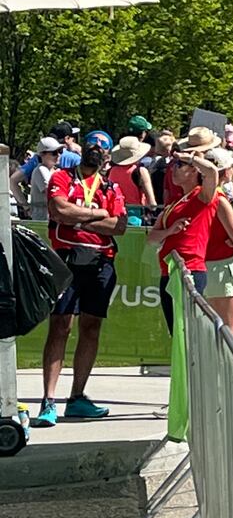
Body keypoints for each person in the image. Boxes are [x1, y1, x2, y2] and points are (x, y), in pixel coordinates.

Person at [33, 140, 127, 426]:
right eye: (91, 144)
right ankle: (48, 401)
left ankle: (77, 397)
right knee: (60, 327)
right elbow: (58, 210)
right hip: (66, 259)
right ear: (82, 150)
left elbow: (119, 226)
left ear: (108, 157)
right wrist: (98, 214)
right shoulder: (62, 176)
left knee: (91, 327)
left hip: (101, 263)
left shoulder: (111, 187)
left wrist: (78, 220)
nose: (96, 149)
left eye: (103, 147)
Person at [148, 149, 233, 334]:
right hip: (169, 271)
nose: (173, 170)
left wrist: (189, 158)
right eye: (174, 165)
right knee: (176, 333)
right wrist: (170, 230)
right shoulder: (174, 203)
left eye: (179, 166)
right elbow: (151, 238)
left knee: (188, 333)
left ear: (194, 170)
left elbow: (211, 171)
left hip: (190, 271)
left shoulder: (203, 197)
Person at [202, 147, 233, 335]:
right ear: (223, 171)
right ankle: (223, 364)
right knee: (229, 328)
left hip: (207, 263)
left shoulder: (200, 194)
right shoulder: (219, 198)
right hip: (223, 266)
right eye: (231, 167)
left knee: (211, 328)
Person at [11, 136, 63, 221]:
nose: (58, 155)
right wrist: (26, 207)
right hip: (43, 220)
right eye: (54, 153)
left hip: (53, 220)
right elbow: (53, 195)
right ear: (42, 154)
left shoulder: (56, 171)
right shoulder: (41, 170)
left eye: (60, 151)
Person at [107, 136, 157, 210]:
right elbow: (152, 203)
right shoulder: (141, 171)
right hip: (134, 214)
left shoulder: (111, 170)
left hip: (114, 212)